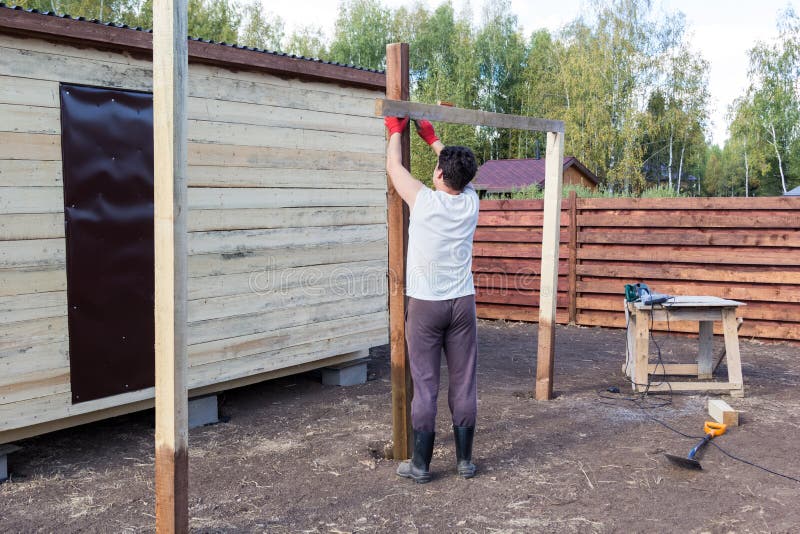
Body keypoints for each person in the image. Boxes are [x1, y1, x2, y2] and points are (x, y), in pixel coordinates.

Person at [384, 116, 480, 484]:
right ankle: (465, 463)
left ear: (439, 175)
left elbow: (394, 166)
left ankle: (421, 466)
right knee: (464, 382)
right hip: (462, 303)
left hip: (426, 305)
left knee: (425, 384)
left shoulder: (423, 201)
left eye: (438, 168)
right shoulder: (471, 202)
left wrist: (396, 130)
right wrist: (434, 140)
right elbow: (461, 176)